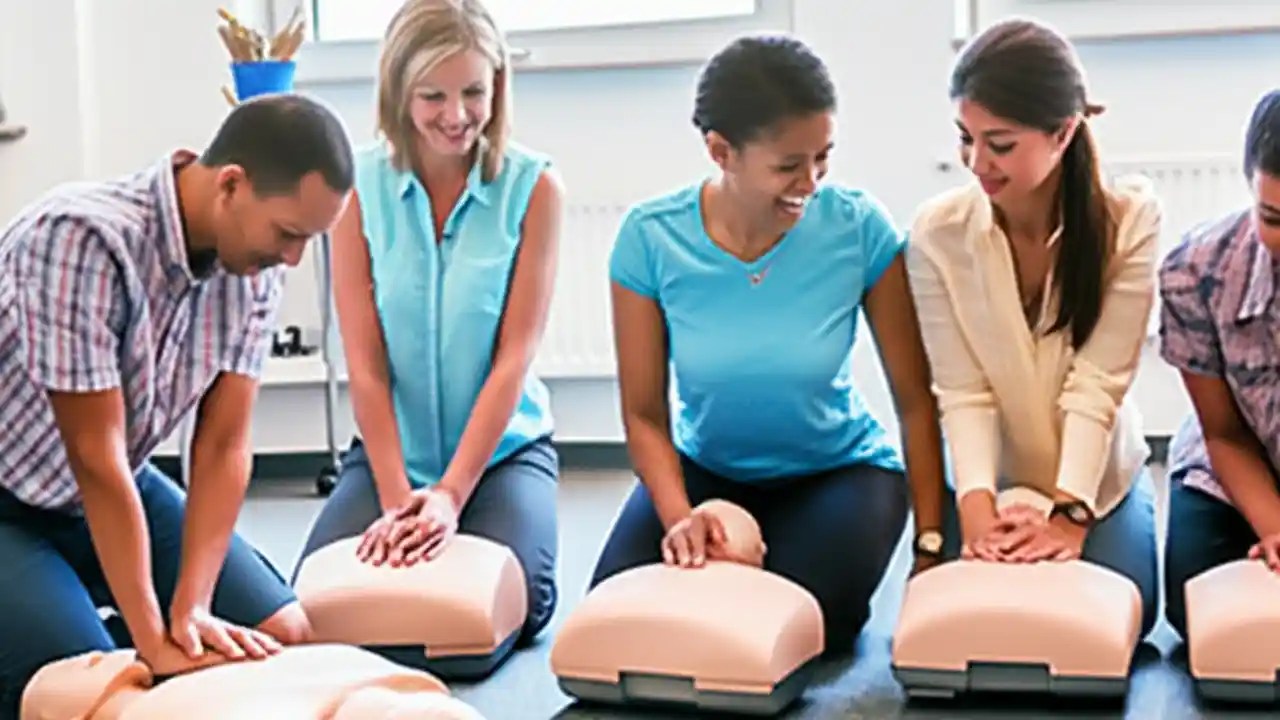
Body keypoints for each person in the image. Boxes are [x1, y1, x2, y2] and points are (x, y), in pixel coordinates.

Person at [588, 33, 949, 655]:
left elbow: (915, 399)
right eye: (788, 165)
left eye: (823, 158)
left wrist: (932, 545)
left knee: (799, 625)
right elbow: (643, 414)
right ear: (720, 151)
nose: (810, 182)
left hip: (839, 473)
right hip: (706, 469)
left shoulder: (859, 228)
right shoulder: (650, 239)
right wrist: (680, 519)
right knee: (620, 617)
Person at [0, 92, 354, 717]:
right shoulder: (77, 239)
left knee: (283, 637)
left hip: (112, 486)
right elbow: (95, 455)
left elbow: (223, 444)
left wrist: (193, 608)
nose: (292, 258)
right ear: (231, 185)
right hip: (15, 498)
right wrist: (152, 641)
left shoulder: (255, 268)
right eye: (288, 234)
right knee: (96, 690)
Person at [293, 0, 563, 648]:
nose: (457, 115)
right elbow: (366, 365)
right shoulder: (357, 188)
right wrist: (397, 500)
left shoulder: (535, 189)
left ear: (498, 86)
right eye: (433, 95)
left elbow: (513, 359)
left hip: (501, 455)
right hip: (392, 452)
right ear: (398, 92)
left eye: (474, 92)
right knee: (317, 608)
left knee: (518, 603)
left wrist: (449, 495)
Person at [905, 17, 1162, 639]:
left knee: (1120, 617)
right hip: (991, 479)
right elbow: (963, 391)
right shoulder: (937, 233)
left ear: (1063, 132)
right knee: (964, 630)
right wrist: (977, 512)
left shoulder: (1130, 221)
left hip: (1097, 483)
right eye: (965, 138)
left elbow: (1097, 384)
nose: (976, 162)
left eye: (999, 143)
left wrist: (1070, 515)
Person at [1159, 89, 1280, 643]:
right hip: (1236, 461)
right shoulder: (1195, 271)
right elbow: (1224, 434)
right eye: (1273, 217)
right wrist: (1275, 529)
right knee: (1201, 608)